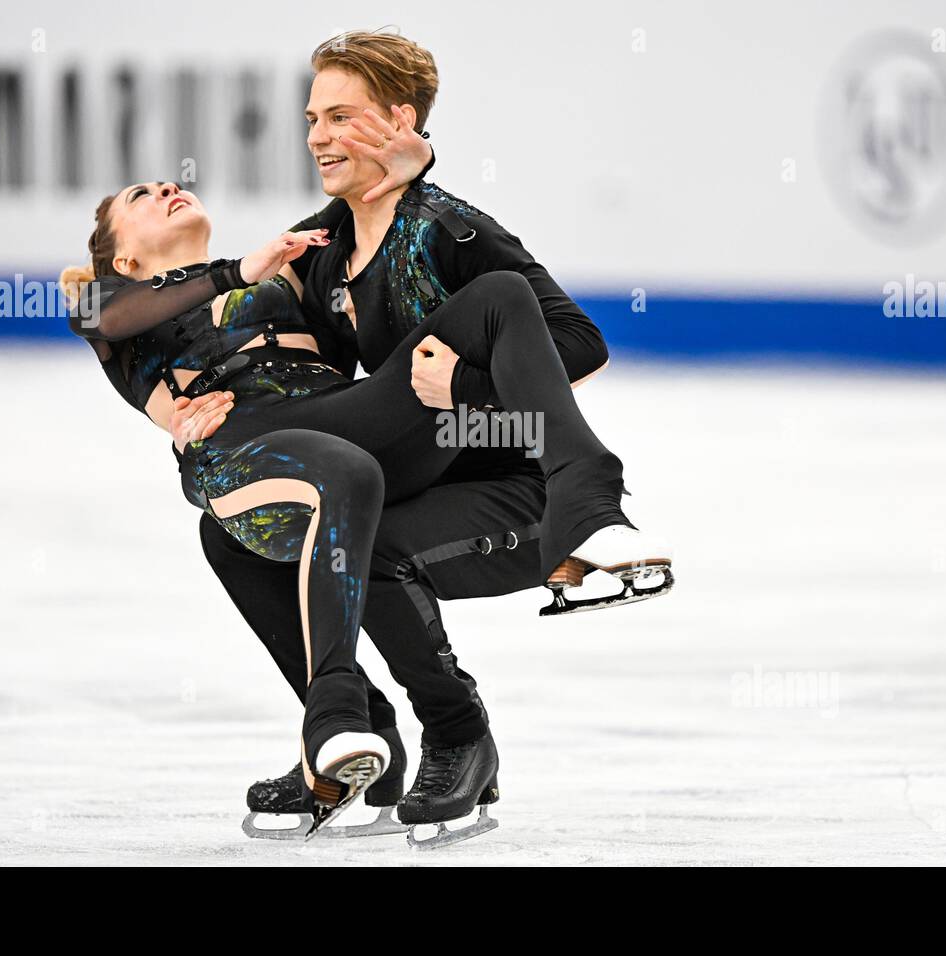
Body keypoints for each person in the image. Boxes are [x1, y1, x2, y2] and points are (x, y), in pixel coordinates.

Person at [176, 30, 673, 848]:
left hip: (513, 493)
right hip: (414, 473)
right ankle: (358, 748)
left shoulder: (449, 228)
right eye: (312, 118)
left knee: (363, 542)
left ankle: (459, 737)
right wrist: (182, 400)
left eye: (341, 117)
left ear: (399, 120)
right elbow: (236, 339)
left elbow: (581, 343)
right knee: (231, 532)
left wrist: (467, 389)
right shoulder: (322, 246)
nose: (317, 138)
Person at [63, 183, 668, 843]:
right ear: (121, 260)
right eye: (143, 197)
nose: (168, 190)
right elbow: (105, 313)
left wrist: (404, 166)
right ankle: (353, 731)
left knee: (499, 295)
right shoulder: (114, 309)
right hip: (251, 448)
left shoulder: (285, 266)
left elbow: (357, 204)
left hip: (348, 418)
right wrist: (235, 275)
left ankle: (581, 507)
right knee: (229, 538)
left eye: (170, 183)